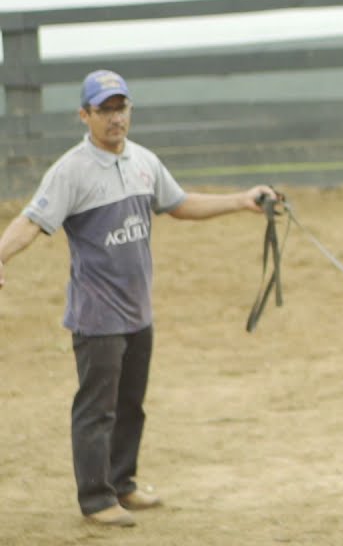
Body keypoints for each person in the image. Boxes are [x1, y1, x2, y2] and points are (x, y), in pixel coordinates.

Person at [0, 70, 277, 527]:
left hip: (137, 311)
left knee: (131, 404)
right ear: (84, 115)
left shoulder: (144, 162)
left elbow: (181, 203)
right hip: (96, 316)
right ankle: (95, 498)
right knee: (97, 409)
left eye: (120, 107)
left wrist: (241, 200)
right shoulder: (71, 171)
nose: (115, 118)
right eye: (104, 109)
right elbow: (32, 220)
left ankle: (122, 483)